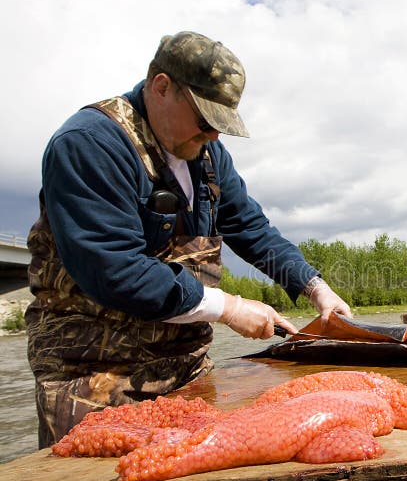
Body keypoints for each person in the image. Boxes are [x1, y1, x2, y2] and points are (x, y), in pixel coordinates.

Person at [25, 30, 352, 450]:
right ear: (161, 87)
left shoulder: (209, 155)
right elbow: (114, 269)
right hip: (90, 374)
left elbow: (252, 228)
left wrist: (315, 287)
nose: (214, 136)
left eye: (222, 125)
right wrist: (229, 307)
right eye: (205, 121)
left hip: (186, 368)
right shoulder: (90, 144)